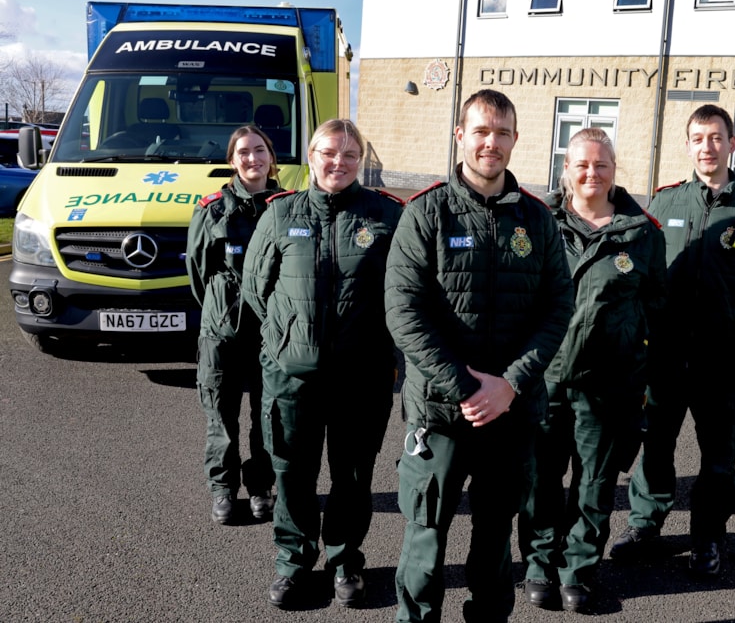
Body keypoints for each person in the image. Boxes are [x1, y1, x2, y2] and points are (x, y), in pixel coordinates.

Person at [385, 89, 574, 623]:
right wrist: (468, 389)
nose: (491, 142)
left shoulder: (537, 220)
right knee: (425, 538)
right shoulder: (426, 212)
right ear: (460, 135)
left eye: (502, 132)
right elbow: (403, 312)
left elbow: (559, 306)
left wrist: (510, 384)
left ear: (516, 140)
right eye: (481, 131)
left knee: (495, 540)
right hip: (441, 414)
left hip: (511, 413)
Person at [609, 104, 735, 577]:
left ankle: (709, 536)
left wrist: (732, 324)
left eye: (716, 137)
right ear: (687, 145)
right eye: (698, 138)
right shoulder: (663, 205)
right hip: (664, 355)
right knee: (656, 446)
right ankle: (645, 525)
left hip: (722, 359)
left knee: (719, 453)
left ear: (731, 143)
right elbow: (644, 275)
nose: (706, 147)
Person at [241, 119, 402, 609]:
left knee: (353, 476)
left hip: (362, 376)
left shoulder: (385, 215)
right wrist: (284, 342)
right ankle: (293, 563)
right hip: (292, 377)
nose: (339, 162)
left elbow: (403, 292)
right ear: (311, 156)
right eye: (330, 152)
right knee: (292, 474)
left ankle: (345, 559)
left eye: (351, 155)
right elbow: (255, 287)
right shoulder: (280, 213)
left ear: (361, 162)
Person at [517, 128, 667, 612]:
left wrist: (639, 377)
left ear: (614, 171)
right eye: (582, 164)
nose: (591, 173)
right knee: (541, 480)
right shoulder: (536, 221)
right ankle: (539, 564)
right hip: (545, 377)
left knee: (595, 483)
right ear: (565, 169)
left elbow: (654, 308)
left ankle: (578, 569)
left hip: (608, 384)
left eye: (601, 165)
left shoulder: (642, 233)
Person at [187, 125, 280, 525]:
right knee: (220, 413)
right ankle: (223, 490)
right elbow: (198, 273)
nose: (252, 158)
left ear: (271, 157)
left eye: (259, 150)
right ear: (232, 160)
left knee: (268, 413)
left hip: (272, 331)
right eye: (243, 152)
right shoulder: (212, 209)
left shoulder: (287, 206)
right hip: (222, 330)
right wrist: (224, 307)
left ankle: (260, 486)